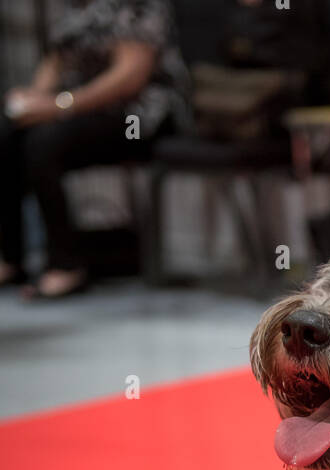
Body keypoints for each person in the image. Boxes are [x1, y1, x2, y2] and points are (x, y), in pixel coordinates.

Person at [0, 0, 190, 299]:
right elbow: (57, 59)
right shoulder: (75, 6)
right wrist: (32, 101)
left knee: (44, 144)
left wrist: (61, 105)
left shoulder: (136, 5)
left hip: (138, 114)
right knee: (9, 133)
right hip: (79, 108)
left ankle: (66, 264)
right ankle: (10, 257)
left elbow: (130, 77)